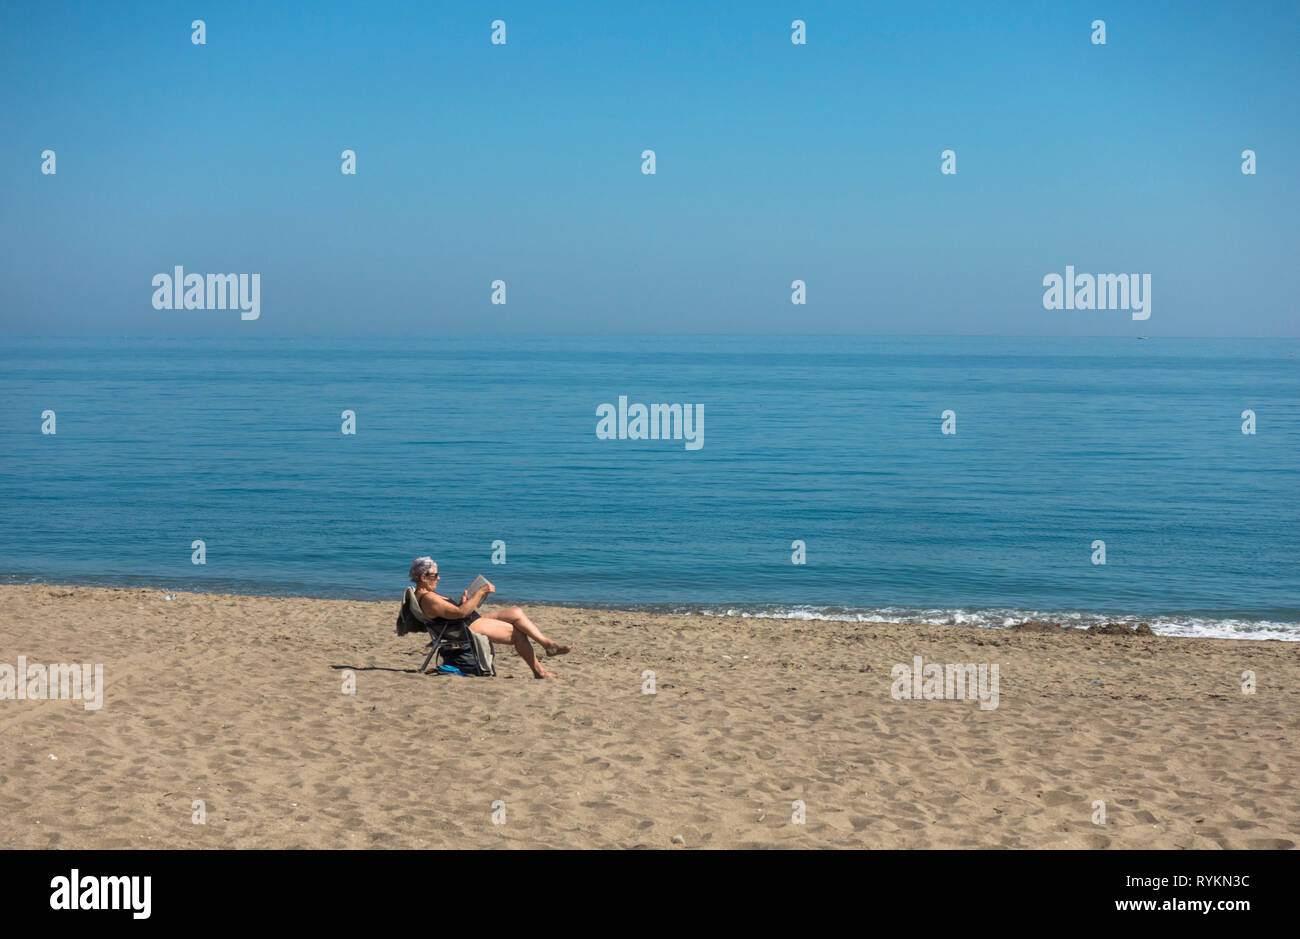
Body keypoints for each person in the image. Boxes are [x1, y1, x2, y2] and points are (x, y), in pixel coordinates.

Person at [408, 556, 572, 679]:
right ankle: (540, 672)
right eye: (435, 575)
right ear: (423, 577)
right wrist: (480, 592)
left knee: (516, 612)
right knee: (518, 634)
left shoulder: (426, 595)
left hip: (462, 622)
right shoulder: (429, 599)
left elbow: (452, 612)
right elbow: (460, 614)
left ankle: (547, 644)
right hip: (463, 628)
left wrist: (465, 601)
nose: (439, 578)